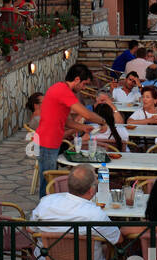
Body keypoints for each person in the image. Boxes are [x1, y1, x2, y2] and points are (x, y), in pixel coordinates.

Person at [35, 63, 113, 196]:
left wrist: (83, 127)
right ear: (77, 79)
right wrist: (103, 121)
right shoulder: (63, 91)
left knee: (49, 179)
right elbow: (86, 114)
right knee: (48, 182)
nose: (84, 88)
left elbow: (64, 120)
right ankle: (44, 212)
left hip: (49, 139)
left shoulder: (60, 88)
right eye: (84, 84)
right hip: (48, 141)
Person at [30, 164, 121, 260]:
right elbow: (118, 239)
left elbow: (31, 229)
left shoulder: (46, 202)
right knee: (107, 248)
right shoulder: (96, 215)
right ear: (91, 190)